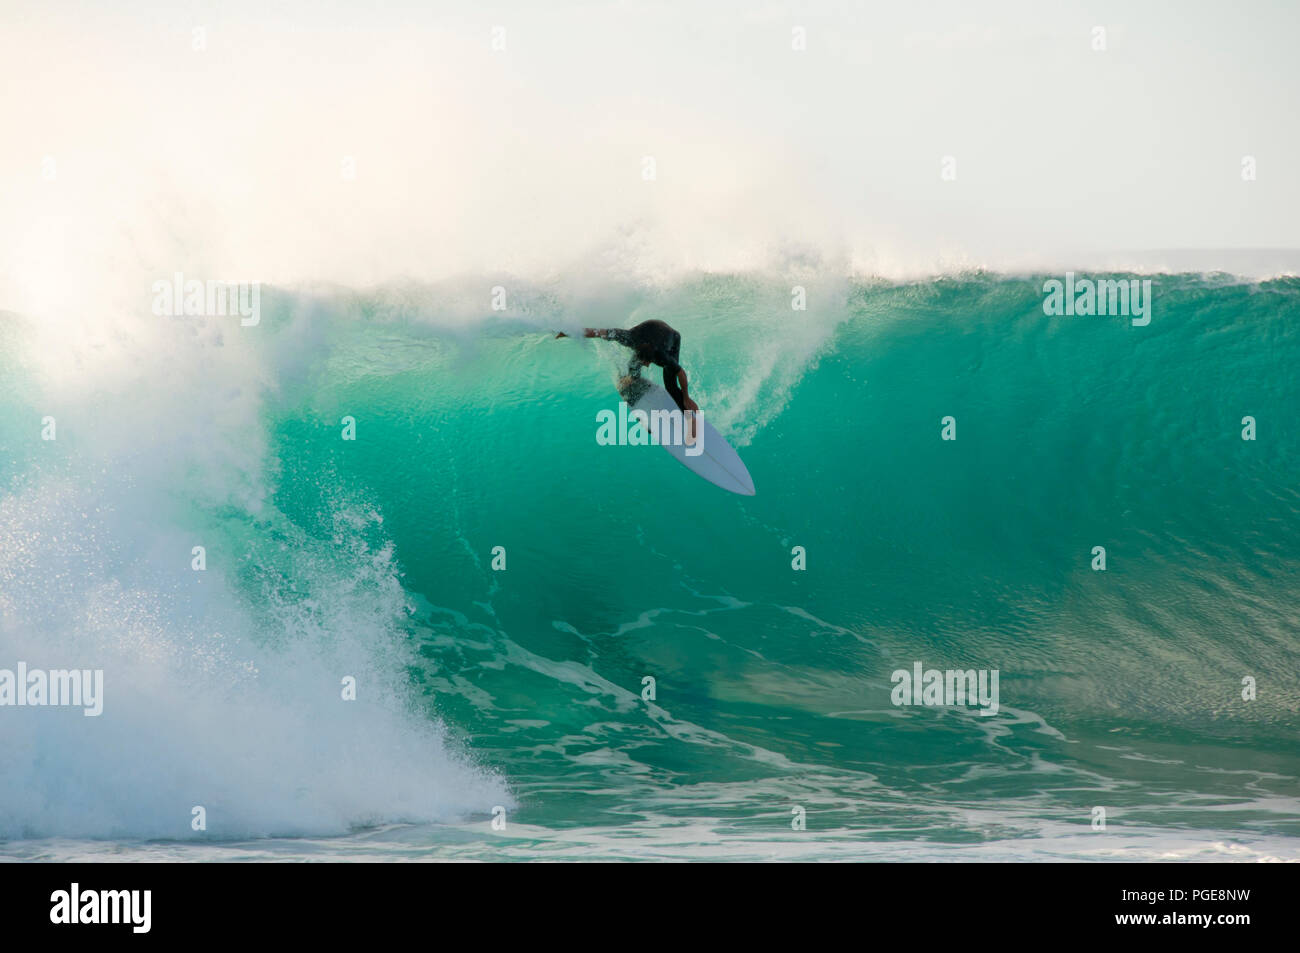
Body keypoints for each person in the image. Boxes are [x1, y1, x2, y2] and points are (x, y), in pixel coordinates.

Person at [557, 320, 700, 420]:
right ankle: (633, 383)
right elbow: (597, 332)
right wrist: (569, 333)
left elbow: (681, 373)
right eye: (644, 362)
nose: (647, 366)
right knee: (633, 370)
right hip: (649, 332)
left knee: (671, 386)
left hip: (671, 337)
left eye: (648, 362)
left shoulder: (662, 356)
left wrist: (686, 397)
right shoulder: (627, 338)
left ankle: (691, 419)